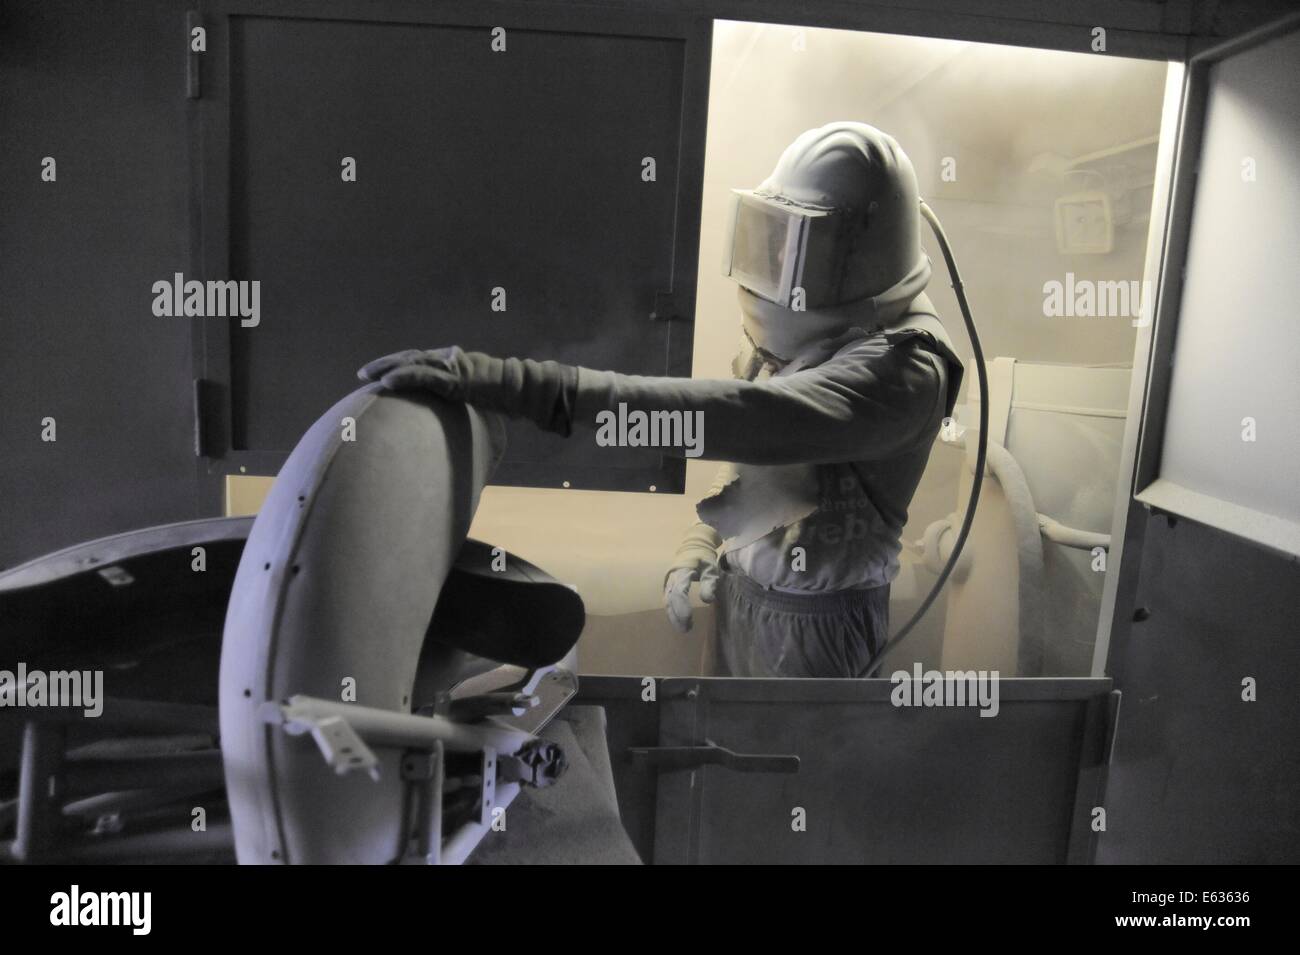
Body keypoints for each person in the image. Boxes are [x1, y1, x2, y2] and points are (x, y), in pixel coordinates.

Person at [358, 122, 963, 678]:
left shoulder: (906, 370)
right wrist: (703, 544)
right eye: (775, 239)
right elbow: (761, 455)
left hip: (821, 629)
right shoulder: (826, 331)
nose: (778, 263)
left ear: (864, 252)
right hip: (744, 599)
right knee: (722, 771)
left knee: (788, 780)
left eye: (801, 246)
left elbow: (752, 421)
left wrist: (527, 388)